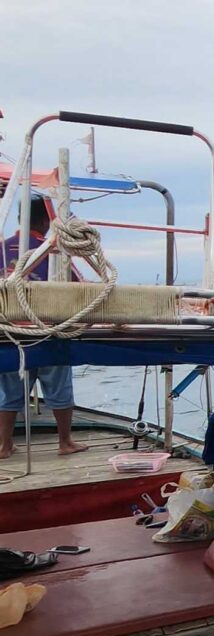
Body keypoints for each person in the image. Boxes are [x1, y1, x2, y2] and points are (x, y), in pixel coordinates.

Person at [0, 193, 87, 459]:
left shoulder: (3, 249)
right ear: (47, 221)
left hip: (11, 333)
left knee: (9, 393)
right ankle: (65, 442)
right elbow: (80, 288)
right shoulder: (54, 252)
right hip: (49, 331)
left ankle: (4, 445)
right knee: (59, 389)